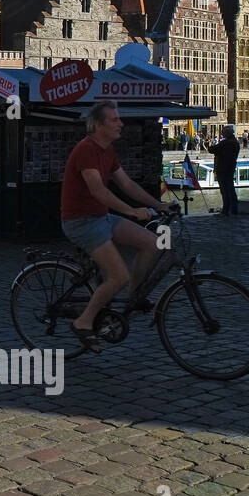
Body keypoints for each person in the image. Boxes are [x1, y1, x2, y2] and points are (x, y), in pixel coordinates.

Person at [60, 101, 171, 352]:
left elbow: (127, 184)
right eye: (115, 120)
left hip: (100, 217)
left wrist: (158, 204)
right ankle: (84, 322)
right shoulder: (86, 150)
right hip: (80, 221)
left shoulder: (107, 150)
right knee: (118, 275)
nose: (121, 123)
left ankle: (131, 298)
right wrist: (131, 211)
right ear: (99, 125)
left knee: (153, 244)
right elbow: (98, 190)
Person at [207, 125, 240, 216]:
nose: (222, 133)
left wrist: (210, 144)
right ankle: (233, 209)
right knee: (231, 189)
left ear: (227, 133)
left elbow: (211, 150)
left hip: (222, 168)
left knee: (225, 190)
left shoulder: (225, 143)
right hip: (230, 167)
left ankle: (226, 210)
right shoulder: (236, 142)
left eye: (223, 132)